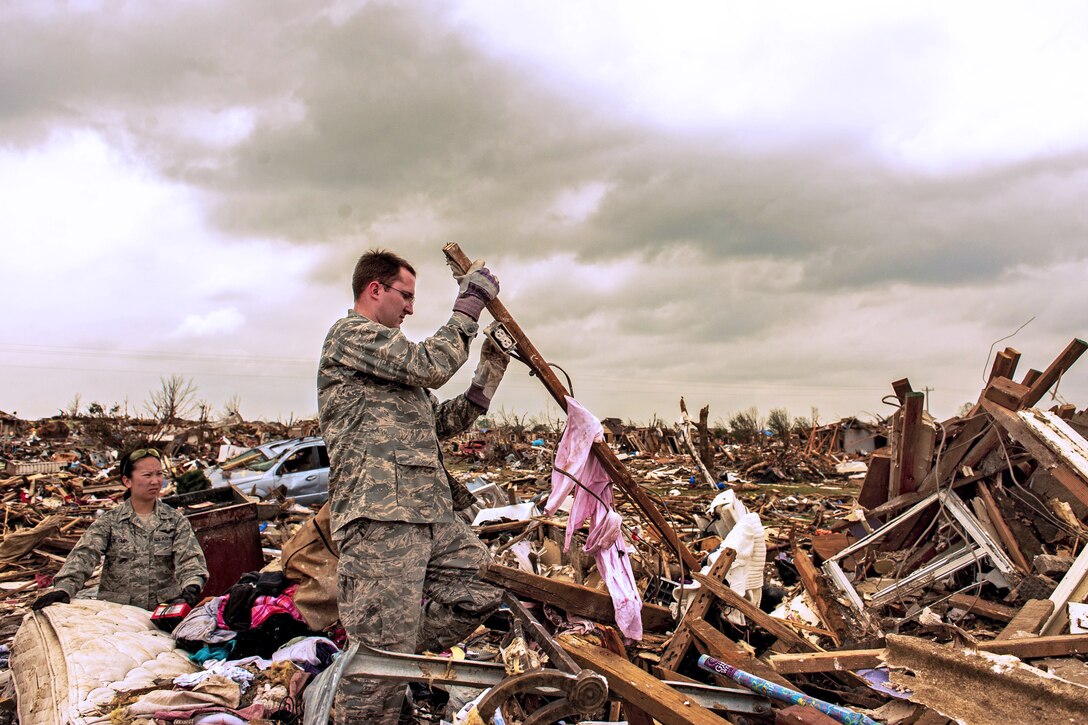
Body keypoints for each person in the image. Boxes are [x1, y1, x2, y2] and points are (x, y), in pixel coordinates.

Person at [318, 249, 509, 723]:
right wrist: (470, 304)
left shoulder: (392, 368)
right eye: (405, 296)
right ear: (374, 290)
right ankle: (378, 662)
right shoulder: (351, 336)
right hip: (381, 521)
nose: (409, 308)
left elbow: (438, 421)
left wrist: (488, 372)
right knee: (376, 683)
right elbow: (430, 363)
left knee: (483, 587)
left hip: (428, 516)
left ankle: (388, 647)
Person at [31, 448, 208, 612]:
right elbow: (84, 556)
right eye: (147, 475)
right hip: (118, 614)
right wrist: (64, 589)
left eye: (159, 474)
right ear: (127, 481)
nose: (155, 481)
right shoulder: (109, 522)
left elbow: (190, 560)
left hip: (161, 611)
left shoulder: (175, 521)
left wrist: (191, 587)